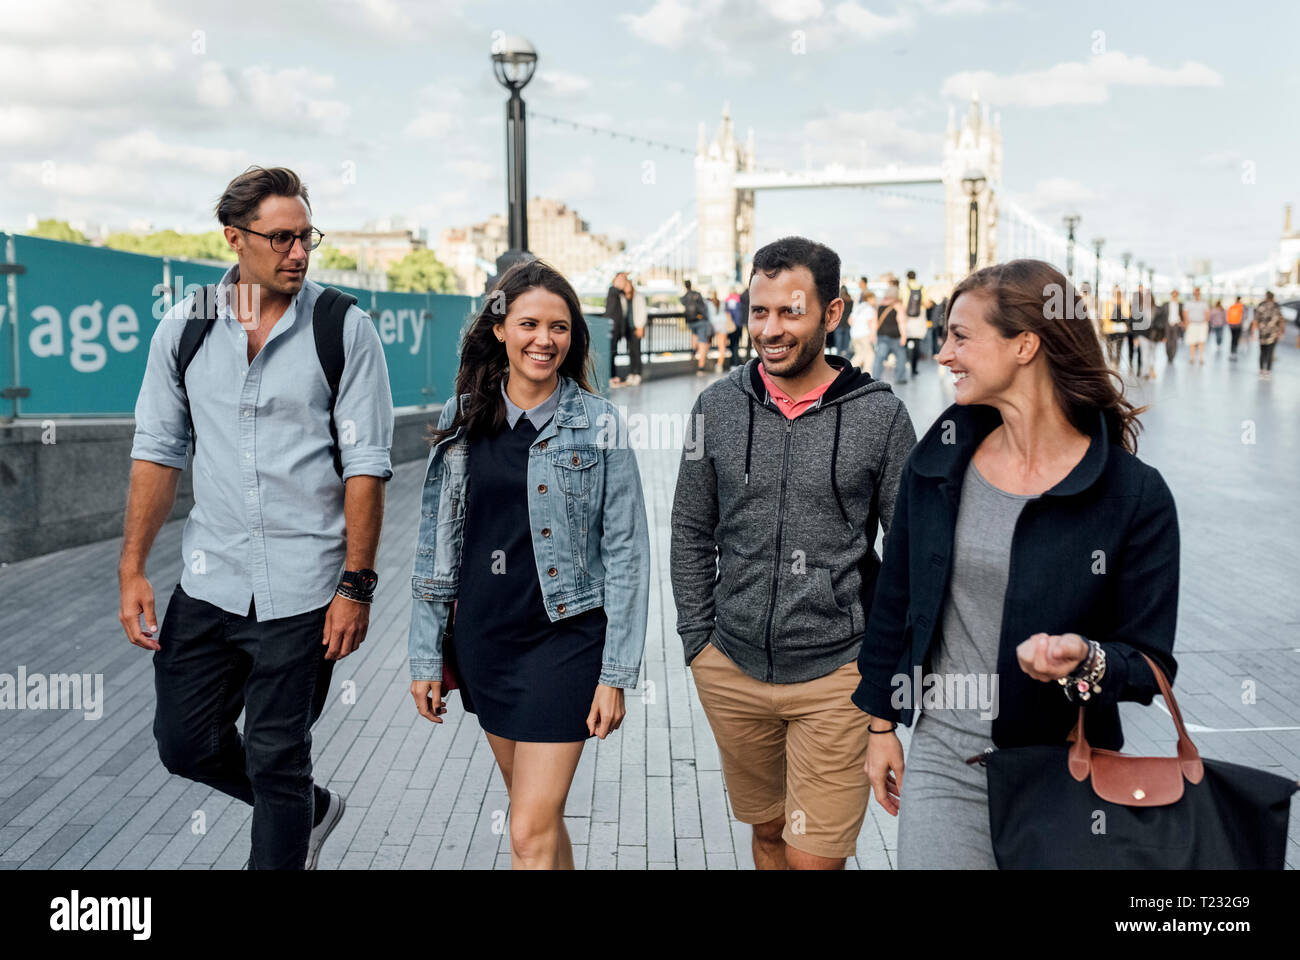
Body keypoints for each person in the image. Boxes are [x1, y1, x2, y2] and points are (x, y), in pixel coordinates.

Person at [854, 258, 1179, 869]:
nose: (944, 354)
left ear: (1025, 345)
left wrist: (1085, 659)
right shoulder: (938, 463)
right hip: (945, 761)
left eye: (961, 337)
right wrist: (880, 725)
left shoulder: (1135, 495)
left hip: (1068, 772)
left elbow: (1151, 664)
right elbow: (896, 599)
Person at [121, 166, 394, 869]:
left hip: (304, 590)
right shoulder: (185, 327)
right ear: (234, 239)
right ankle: (311, 808)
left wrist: (356, 586)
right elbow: (157, 451)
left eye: (307, 237)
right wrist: (132, 569)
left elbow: (366, 466)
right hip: (210, 580)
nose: (298, 253)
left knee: (277, 758)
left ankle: (288, 816)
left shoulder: (344, 328)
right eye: (281, 238)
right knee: (184, 744)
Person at [671, 236, 917, 871]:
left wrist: (884, 698)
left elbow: (909, 558)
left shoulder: (881, 417)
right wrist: (698, 642)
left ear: (832, 314)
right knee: (769, 834)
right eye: (760, 311)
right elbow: (691, 529)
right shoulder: (716, 407)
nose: (770, 329)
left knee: (813, 859)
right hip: (732, 665)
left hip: (839, 675)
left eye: (790, 312)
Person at [408, 258, 650, 870]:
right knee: (535, 821)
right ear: (500, 329)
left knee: (525, 833)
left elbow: (627, 553)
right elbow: (438, 543)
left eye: (559, 327)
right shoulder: (462, 417)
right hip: (486, 643)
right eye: (529, 324)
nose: (545, 339)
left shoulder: (599, 423)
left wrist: (616, 673)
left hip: (564, 643)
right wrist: (425, 654)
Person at [872, 281, 908, 384]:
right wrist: (904, 336)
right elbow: (901, 322)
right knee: (900, 357)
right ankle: (900, 378)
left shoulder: (879, 306)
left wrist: (873, 334)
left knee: (879, 357)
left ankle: (876, 377)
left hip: (882, 335)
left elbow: (875, 321)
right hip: (895, 336)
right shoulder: (898, 306)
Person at [604, 272, 634, 387]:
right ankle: (609, 378)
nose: (622, 282)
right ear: (614, 281)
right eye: (620, 279)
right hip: (611, 328)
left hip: (617, 329)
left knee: (613, 352)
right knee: (610, 353)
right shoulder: (612, 290)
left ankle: (613, 376)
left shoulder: (621, 294)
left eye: (624, 280)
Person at [1252, 290, 1285, 380]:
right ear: (1273, 297)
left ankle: (1261, 371)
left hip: (1262, 333)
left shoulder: (1261, 305)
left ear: (1266, 296)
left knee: (1262, 352)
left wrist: (1253, 333)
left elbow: (1255, 320)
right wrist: (1281, 332)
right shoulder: (1276, 306)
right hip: (1273, 334)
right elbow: (1281, 320)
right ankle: (1268, 372)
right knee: (1270, 352)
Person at [682, 279, 712, 375]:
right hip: (700, 321)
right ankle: (701, 367)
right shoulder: (697, 294)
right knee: (702, 342)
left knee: (694, 334)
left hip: (690, 322)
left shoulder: (684, 297)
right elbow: (703, 308)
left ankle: (693, 351)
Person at [902, 270, 927, 377]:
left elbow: (903, 304)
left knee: (904, 345)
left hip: (907, 318)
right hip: (919, 318)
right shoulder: (922, 287)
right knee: (917, 345)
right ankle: (914, 368)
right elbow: (925, 303)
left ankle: (903, 366)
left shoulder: (904, 287)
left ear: (907, 277)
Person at [624, 275, 647, 385]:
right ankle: (631, 373)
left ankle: (637, 373)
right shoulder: (624, 298)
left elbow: (642, 312)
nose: (626, 287)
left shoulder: (638, 297)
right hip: (627, 328)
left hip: (636, 327)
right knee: (630, 352)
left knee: (636, 351)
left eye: (628, 285)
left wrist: (640, 327)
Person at [849, 290, 878, 373]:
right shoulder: (870, 309)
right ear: (869, 299)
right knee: (869, 355)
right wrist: (873, 335)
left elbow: (850, 321)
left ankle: (849, 372)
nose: (875, 301)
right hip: (865, 334)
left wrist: (857, 327)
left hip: (854, 334)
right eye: (874, 299)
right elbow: (870, 323)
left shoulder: (858, 307)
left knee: (859, 354)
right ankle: (866, 374)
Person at [1182, 286, 1209, 366]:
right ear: (1193, 293)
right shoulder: (1189, 302)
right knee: (1192, 342)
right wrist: (1186, 324)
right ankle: (1192, 358)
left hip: (1202, 324)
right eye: (1195, 292)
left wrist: (1206, 323)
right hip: (1192, 324)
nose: (1197, 293)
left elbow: (1207, 314)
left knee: (1201, 342)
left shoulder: (1204, 303)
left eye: (1198, 292)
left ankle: (1201, 358)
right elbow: (1185, 313)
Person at [708, 287, 729, 373]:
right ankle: (720, 364)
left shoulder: (709, 304)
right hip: (723, 324)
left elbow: (710, 316)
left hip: (715, 325)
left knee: (720, 345)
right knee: (722, 346)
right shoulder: (722, 303)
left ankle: (719, 364)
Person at [724, 286, 743, 369]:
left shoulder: (727, 300)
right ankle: (736, 362)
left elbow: (727, 313)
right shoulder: (739, 299)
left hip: (730, 326)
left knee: (732, 345)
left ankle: (734, 363)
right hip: (738, 325)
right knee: (736, 344)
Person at [1164, 289, 1183, 365]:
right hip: (1168, 325)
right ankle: (1168, 355)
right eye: (1173, 294)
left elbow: (1182, 314)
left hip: (1176, 325)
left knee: (1174, 341)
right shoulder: (1166, 304)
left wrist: (1181, 322)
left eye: (1176, 295)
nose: (1174, 296)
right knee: (1168, 341)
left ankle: (1172, 356)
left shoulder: (1180, 305)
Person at [1226, 295, 1245, 360]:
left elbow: (1228, 315)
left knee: (1233, 338)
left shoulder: (1232, 306)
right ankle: (1234, 352)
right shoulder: (1241, 306)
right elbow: (1244, 316)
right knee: (1236, 339)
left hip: (1231, 325)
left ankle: (1232, 352)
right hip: (1238, 325)